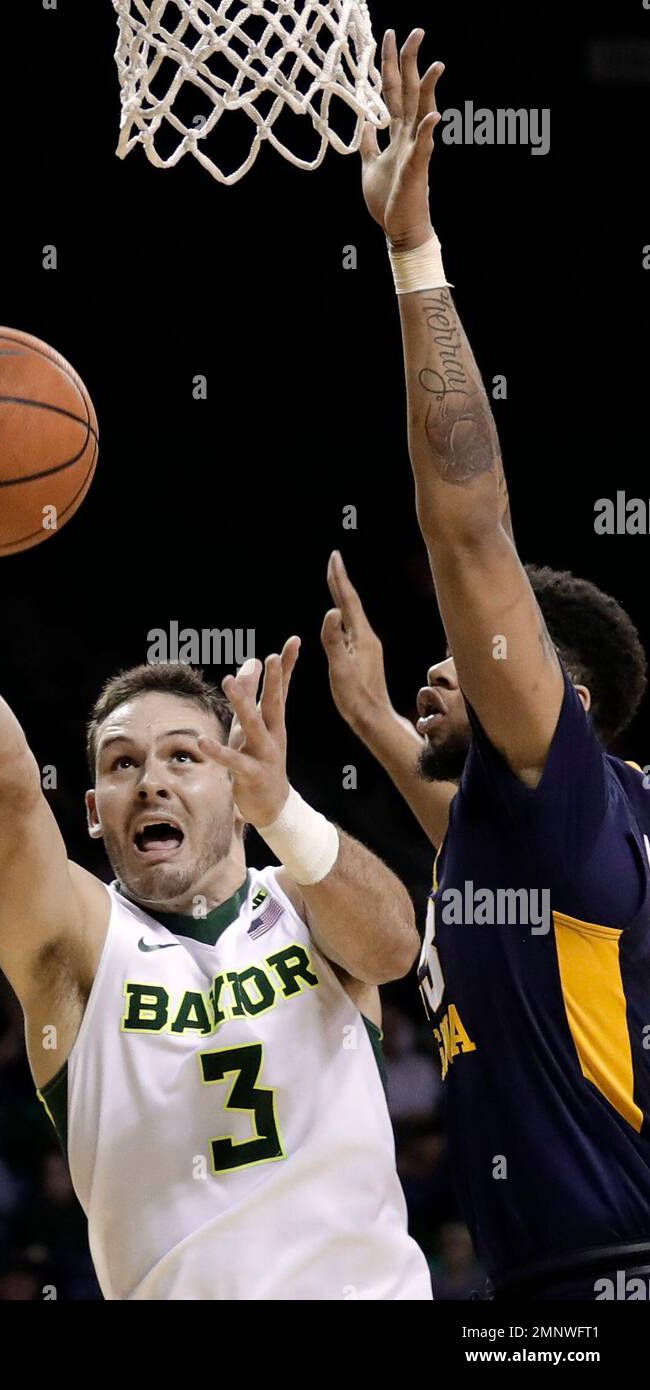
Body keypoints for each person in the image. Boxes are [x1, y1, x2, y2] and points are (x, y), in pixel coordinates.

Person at [0, 416, 430, 1300]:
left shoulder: (305, 897)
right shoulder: (80, 945)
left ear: (234, 788)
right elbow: (2, 792)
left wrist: (284, 808)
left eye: (184, 757)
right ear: (93, 812)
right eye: (123, 765)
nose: (151, 780)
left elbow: (393, 950)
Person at [321, 24, 650, 1299]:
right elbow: (450, 809)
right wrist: (366, 720)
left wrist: (410, 250)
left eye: (474, 660)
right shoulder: (536, 830)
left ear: (560, 705)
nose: (438, 672)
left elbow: (465, 518)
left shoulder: (568, 789)